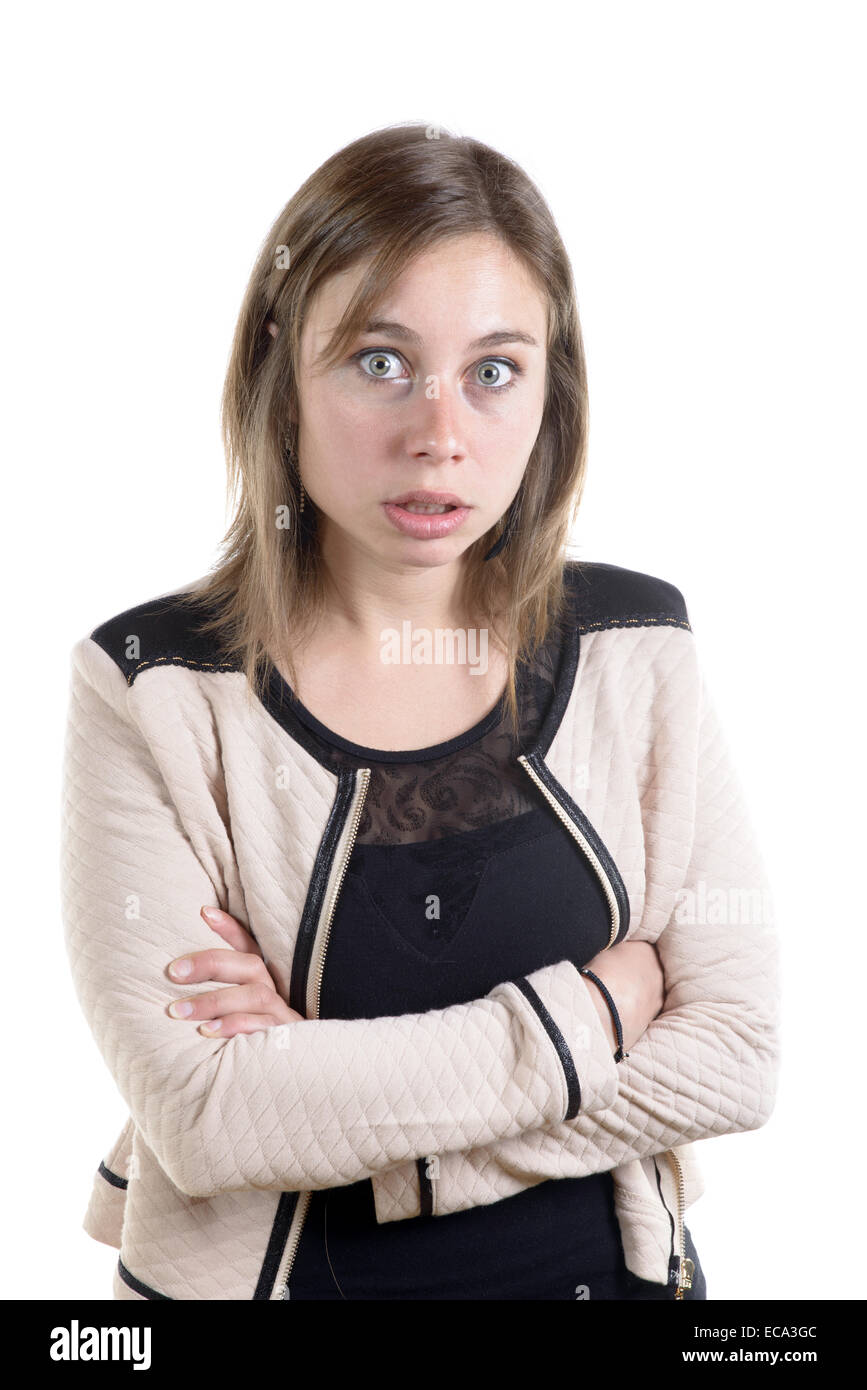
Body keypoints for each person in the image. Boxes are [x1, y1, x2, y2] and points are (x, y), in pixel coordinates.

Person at [61, 122, 780, 1301]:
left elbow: (736, 1057)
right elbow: (207, 1118)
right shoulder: (150, 682)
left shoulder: (636, 648)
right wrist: (598, 1010)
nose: (440, 434)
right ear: (280, 377)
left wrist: (356, 1117)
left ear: (551, 396)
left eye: (495, 370)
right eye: (381, 361)